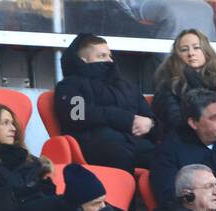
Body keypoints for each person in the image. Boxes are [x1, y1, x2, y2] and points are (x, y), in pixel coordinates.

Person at [53, 34, 158, 173]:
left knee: (169, 156)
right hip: (95, 148)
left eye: (110, 56)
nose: (109, 61)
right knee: (120, 154)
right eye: (101, 56)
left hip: (135, 145)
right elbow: (78, 114)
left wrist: (150, 123)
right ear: (83, 60)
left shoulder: (127, 87)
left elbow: (150, 117)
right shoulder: (70, 85)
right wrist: (123, 118)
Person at [151, 29, 216, 139]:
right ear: (177, 56)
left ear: (206, 51)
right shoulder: (169, 85)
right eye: (184, 50)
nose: (191, 53)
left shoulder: (215, 81)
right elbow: (175, 124)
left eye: (196, 47)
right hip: (182, 144)